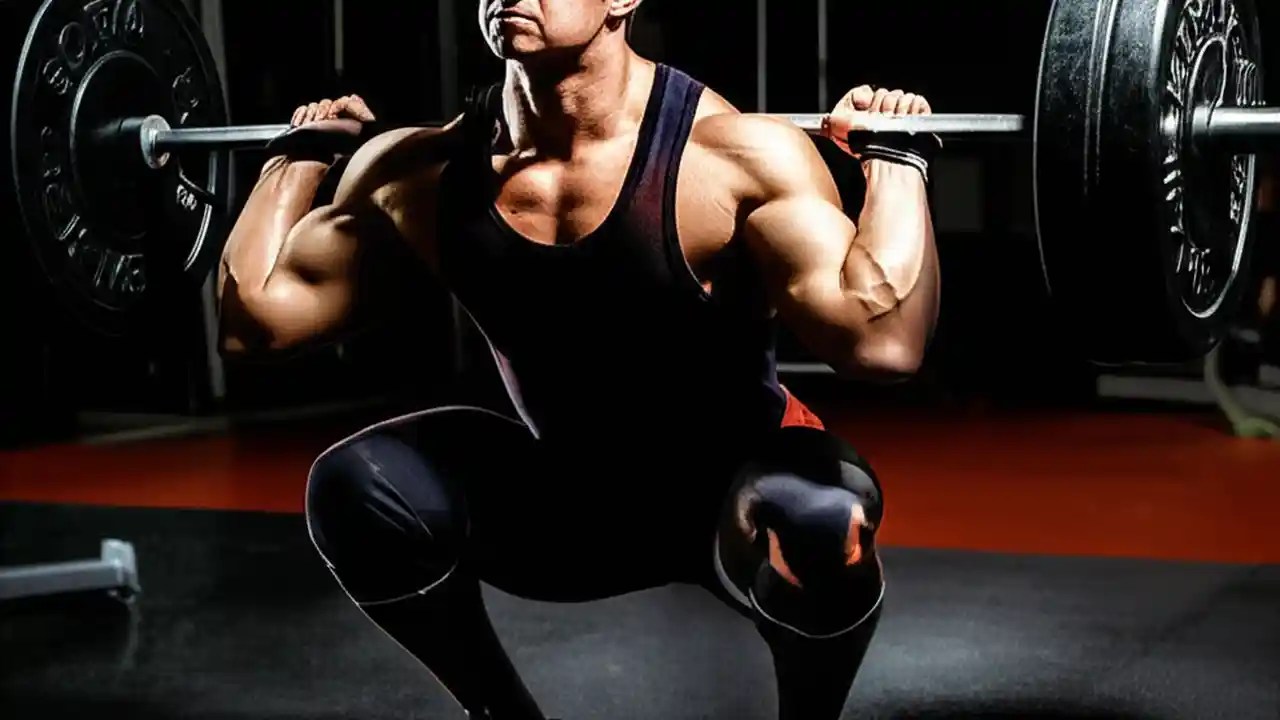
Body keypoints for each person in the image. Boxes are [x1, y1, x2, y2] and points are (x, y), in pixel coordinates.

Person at [217, 1, 939, 717]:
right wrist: (296, 158)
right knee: (357, 487)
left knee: (819, 516)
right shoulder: (422, 170)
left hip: (737, 502)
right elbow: (257, 322)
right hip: (571, 509)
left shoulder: (730, 157)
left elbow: (883, 342)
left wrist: (897, 160)